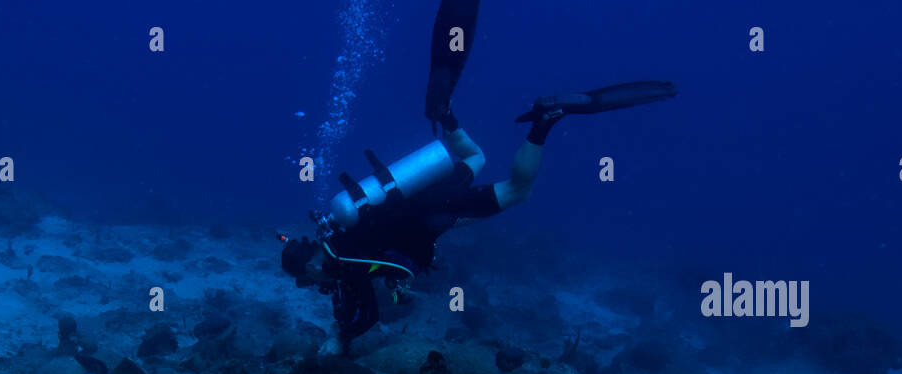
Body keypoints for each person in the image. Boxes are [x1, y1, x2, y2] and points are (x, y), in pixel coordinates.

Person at [281, 0, 676, 355]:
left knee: (518, 189)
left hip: (441, 211)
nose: (310, 285)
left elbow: (367, 315)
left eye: (305, 280)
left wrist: (339, 338)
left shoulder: (345, 262)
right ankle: (444, 111)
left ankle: (545, 120)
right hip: (426, 189)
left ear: (309, 267)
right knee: (475, 156)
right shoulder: (335, 233)